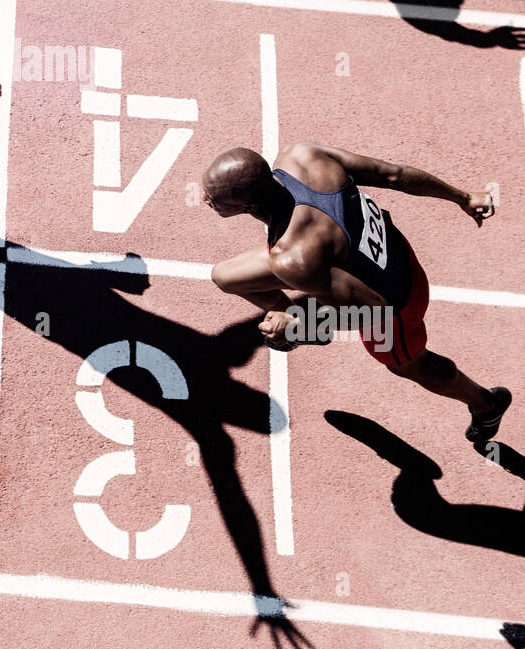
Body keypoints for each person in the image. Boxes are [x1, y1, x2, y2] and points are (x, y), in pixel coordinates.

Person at [204, 141, 509, 442]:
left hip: (398, 300)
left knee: (409, 366)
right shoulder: (303, 156)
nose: (205, 199)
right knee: (227, 276)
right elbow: (394, 175)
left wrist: (301, 325)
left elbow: (375, 311)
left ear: (248, 206)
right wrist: (464, 197)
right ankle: (294, 324)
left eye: (215, 199)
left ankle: (487, 404)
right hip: (377, 254)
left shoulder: (294, 259)